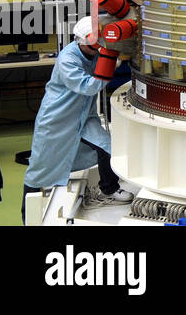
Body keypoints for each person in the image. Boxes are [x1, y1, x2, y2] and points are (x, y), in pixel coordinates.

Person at [22, 17, 133, 223]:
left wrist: (115, 56)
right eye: (93, 45)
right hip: (57, 119)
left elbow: (107, 61)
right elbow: (88, 86)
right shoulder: (68, 59)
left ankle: (109, 190)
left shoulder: (91, 50)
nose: (96, 48)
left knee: (105, 146)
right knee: (39, 167)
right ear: (81, 42)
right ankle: (26, 215)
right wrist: (107, 67)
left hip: (84, 116)